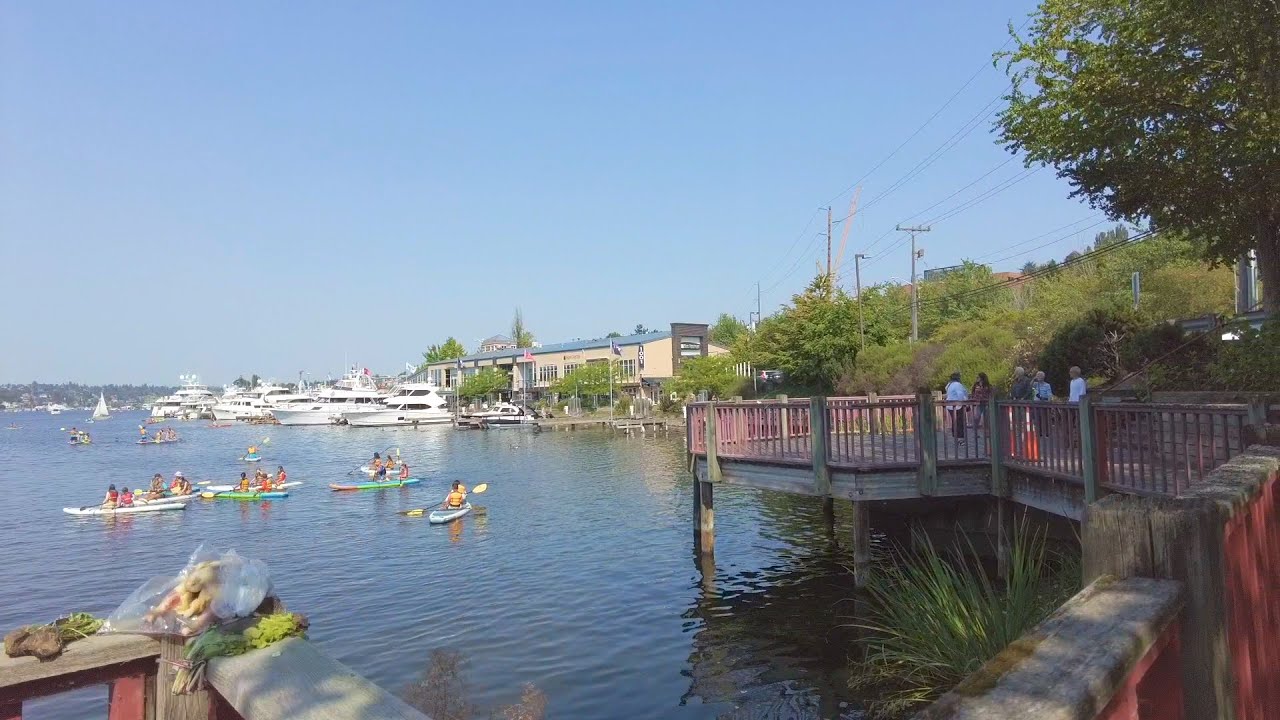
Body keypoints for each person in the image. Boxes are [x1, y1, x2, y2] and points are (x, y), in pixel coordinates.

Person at [945, 372, 969, 439]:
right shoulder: (958, 385)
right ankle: (960, 437)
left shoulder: (949, 385)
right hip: (958, 405)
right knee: (959, 421)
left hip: (950, 405)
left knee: (954, 421)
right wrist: (964, 403)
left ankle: (955, 435)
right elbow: (960, 394)